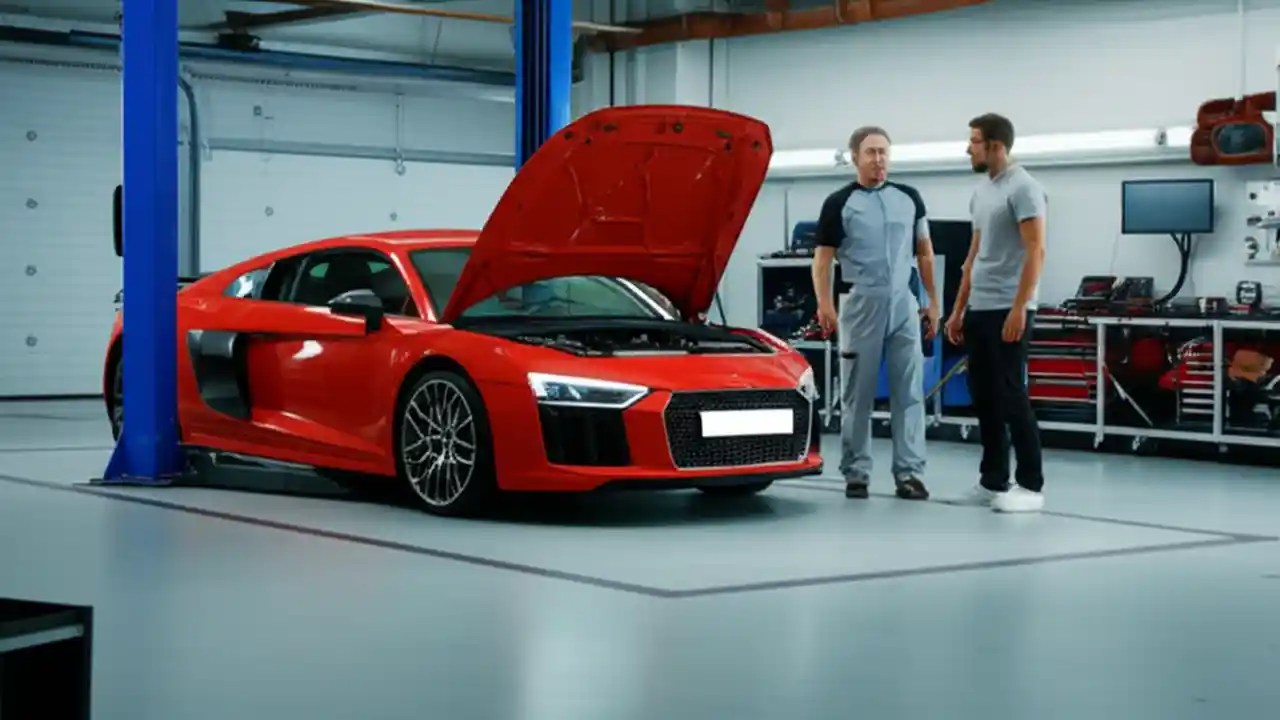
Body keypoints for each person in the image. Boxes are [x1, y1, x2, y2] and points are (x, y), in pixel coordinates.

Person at [812, 126, 940, 501]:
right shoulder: (839, 203)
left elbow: (925, 253)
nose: (878, 159)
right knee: (858, 392)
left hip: (904, 302)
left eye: (884, 152)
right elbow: (822, 262)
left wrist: (933, 302)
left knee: (910, 392)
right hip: (860, 303)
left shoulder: (910, 198)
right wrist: (825, 304)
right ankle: (857, 473)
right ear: (855, 157)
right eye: (870, 152)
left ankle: (910, 474)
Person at [943, 113, 1048, 513]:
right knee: (983, 396)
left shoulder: (1025, 189)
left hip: (1009, 305)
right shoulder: (982, 192)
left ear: (996, 146)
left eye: (974, 141)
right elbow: (973, 255)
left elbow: (1036, 249)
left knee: (1010, 394)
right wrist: (957, 311)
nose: (967, 148)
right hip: (980, 307)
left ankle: (1030, 485)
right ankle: (993, 480)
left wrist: (1020, 307)